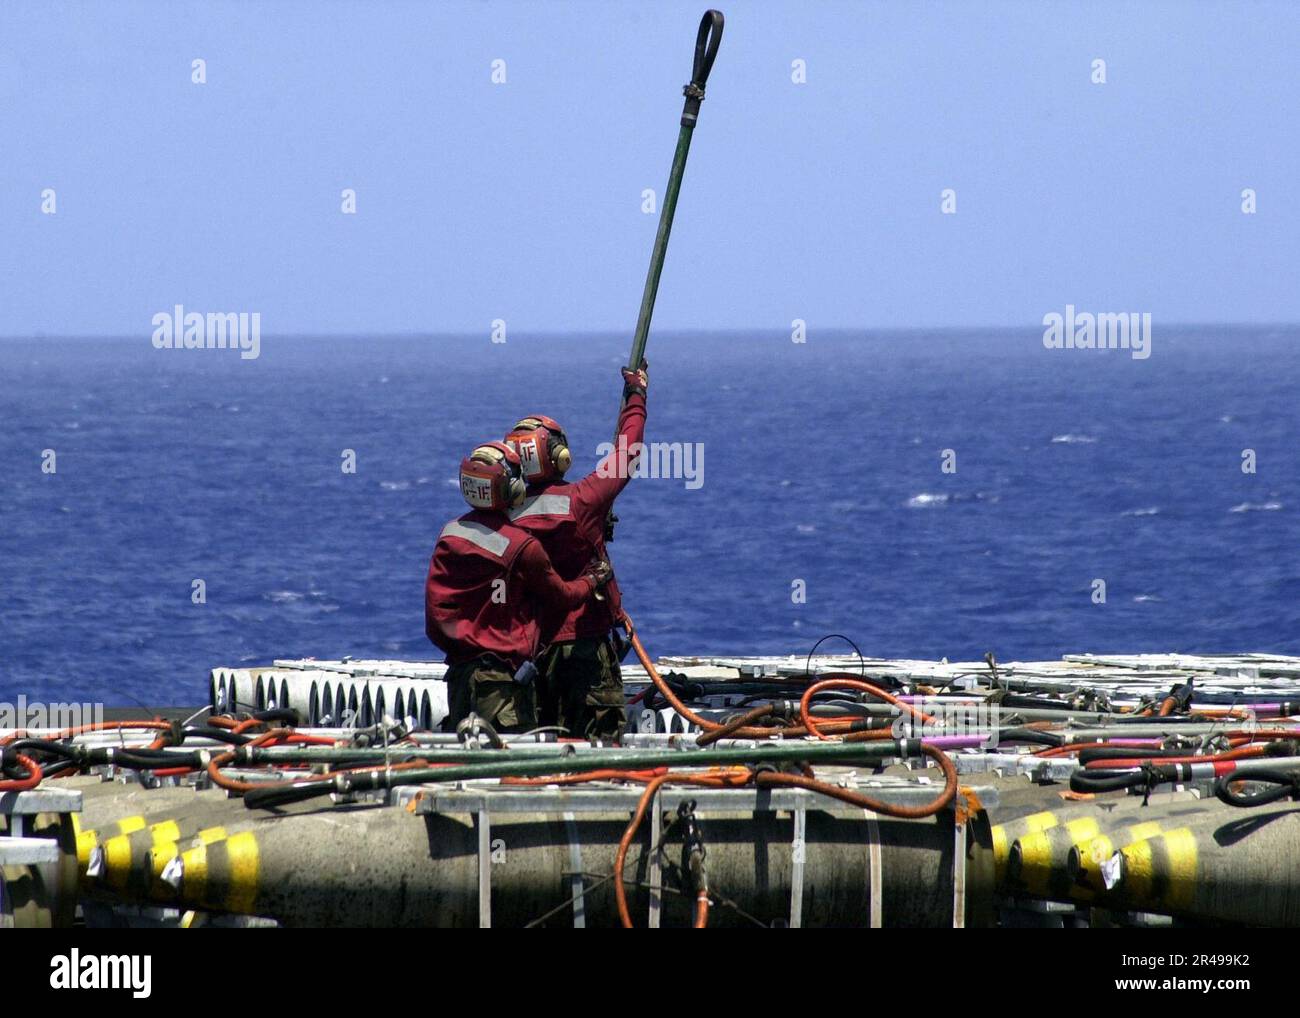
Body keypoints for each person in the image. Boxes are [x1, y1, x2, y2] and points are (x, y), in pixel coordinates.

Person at [502, 362, 647, 741]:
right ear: (559, 456)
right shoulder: (583, 501)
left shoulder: (503, 518)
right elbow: (626, 453)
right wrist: (637, 396)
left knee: (543, 746)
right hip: (586, 650)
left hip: (531, 654)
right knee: (598, 746)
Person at [425, 441, 611, 734]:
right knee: (508, 768)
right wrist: (592, 581)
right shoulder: (522, 547)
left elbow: (437, 617)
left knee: (466, 764)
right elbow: (562, 597)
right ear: (511, 488)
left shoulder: (450, 537)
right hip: (503, 688)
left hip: (459, 680)